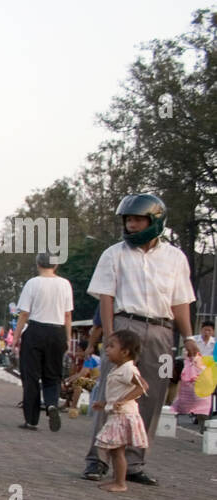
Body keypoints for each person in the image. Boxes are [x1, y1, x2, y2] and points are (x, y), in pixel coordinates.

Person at [80, 194, 197, 484]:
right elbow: (106, 297)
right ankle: (97, 459)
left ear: (155, 220)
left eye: (137, 219)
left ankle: (134, 462)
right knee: (113, 393)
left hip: (161, 329)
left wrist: (189, 337)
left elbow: (181, 301)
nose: (131, 225)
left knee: (152, 395)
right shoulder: (114, 254)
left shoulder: (175, 258)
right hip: (124, 325)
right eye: (128, 220)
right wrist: (110, 337)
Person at [14, 252, 74, 431]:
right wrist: (68, 338)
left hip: (36, 331)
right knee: (53, 375)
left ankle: (31, 419)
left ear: (38, 264)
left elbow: (24, 313)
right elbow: (67, 314)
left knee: (31, 376)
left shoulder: (33, 283)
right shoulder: (65, 284)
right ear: (56, 266)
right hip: (57, 332)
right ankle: (51, 404)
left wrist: (16, 336)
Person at [93, 331, 149, 493]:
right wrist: (104, 404)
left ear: (124, 352)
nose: (107, 350)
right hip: (117, 414)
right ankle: (117, 479)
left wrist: (124, 400)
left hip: (123, 415)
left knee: (117, 450)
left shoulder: (128, 370)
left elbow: (143, 386)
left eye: (111, 346)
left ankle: (120, 483)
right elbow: (116, 393)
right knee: (114, 449)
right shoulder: (119, 369)